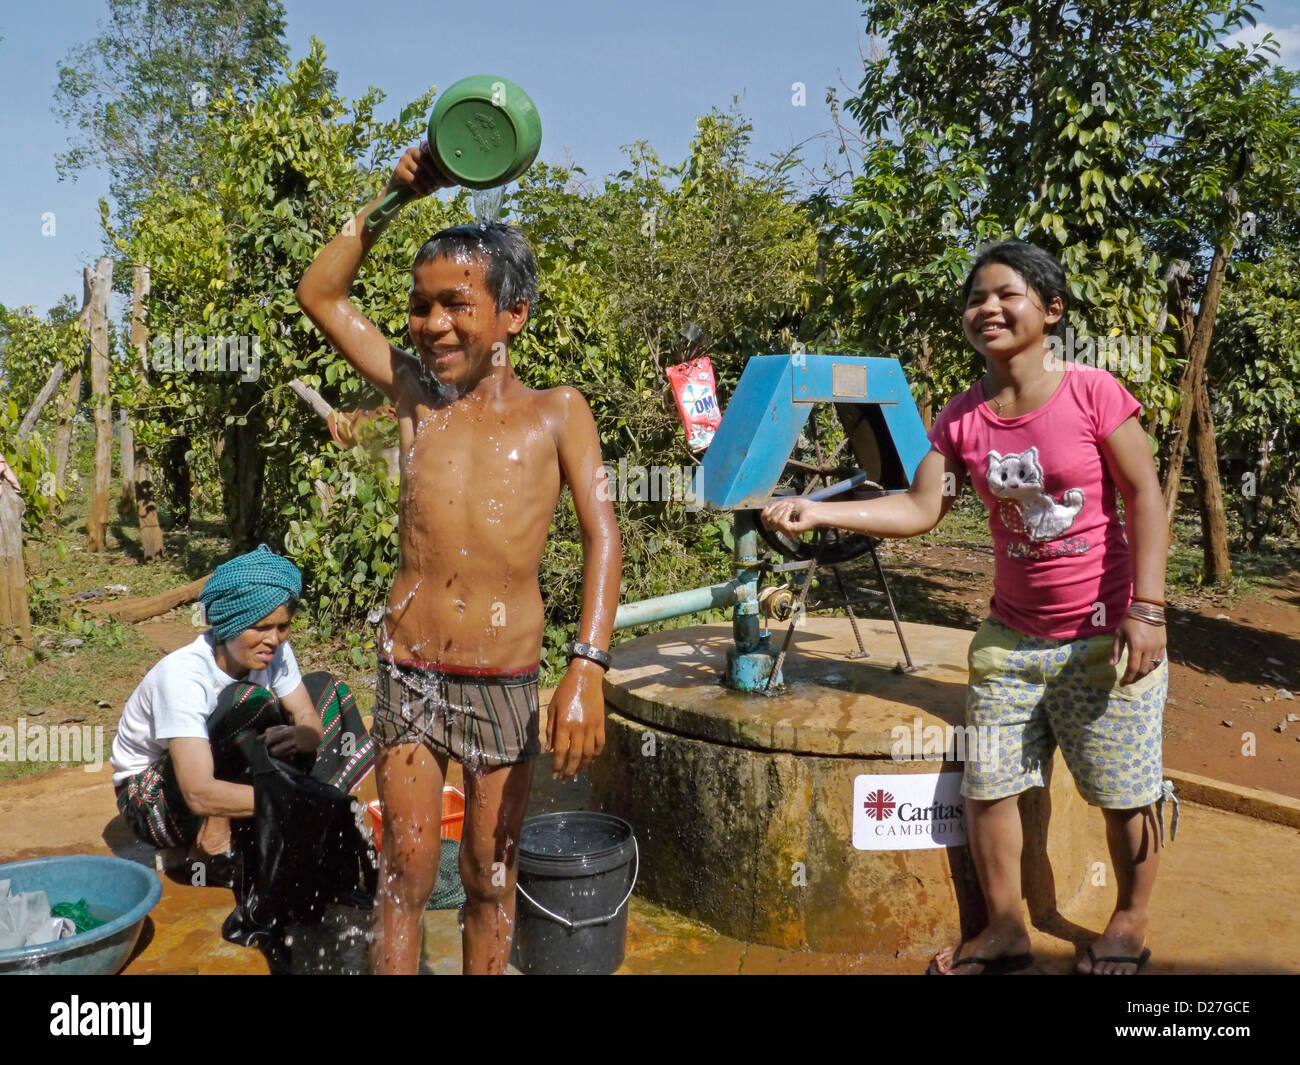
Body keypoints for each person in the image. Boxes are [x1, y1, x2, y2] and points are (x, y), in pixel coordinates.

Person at [763, 240, 1170, 976]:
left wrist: (1149, 609)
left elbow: (1146, 495)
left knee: (1123, 791)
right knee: (989, 785)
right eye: (976, 298)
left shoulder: (1092, 393)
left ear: (1051, 309)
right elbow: (921, 505)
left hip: (1103, 638)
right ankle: (1007, 928)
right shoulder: (963, 418)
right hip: (1010, 639)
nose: (987, 308)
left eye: (1006, 294)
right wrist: (821, 514)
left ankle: (1130, 922)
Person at [295, 144, 622, 975]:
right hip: (409, 671)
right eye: (419, 305)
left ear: (511, 314)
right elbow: (319, 293)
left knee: (487, 873)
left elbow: (602, 535)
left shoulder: (558, 414)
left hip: (504, 680)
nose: (432, 324)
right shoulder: (412, 395)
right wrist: (394, 197)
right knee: (403, 873)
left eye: (456, 304)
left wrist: (586, 665)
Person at [110, 545, 375, 872]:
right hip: (155, 801)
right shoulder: (183, 678)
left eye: (283, 627)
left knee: (328, 689)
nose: (274, 640)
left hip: (221, 769)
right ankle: (215, 841)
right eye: (261, 628)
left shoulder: (275, 650)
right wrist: (290, 802)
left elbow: (309, 718)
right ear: (229, 624)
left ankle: (294, 808)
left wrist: (302, 735)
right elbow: (196, 793)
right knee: (247, 704)